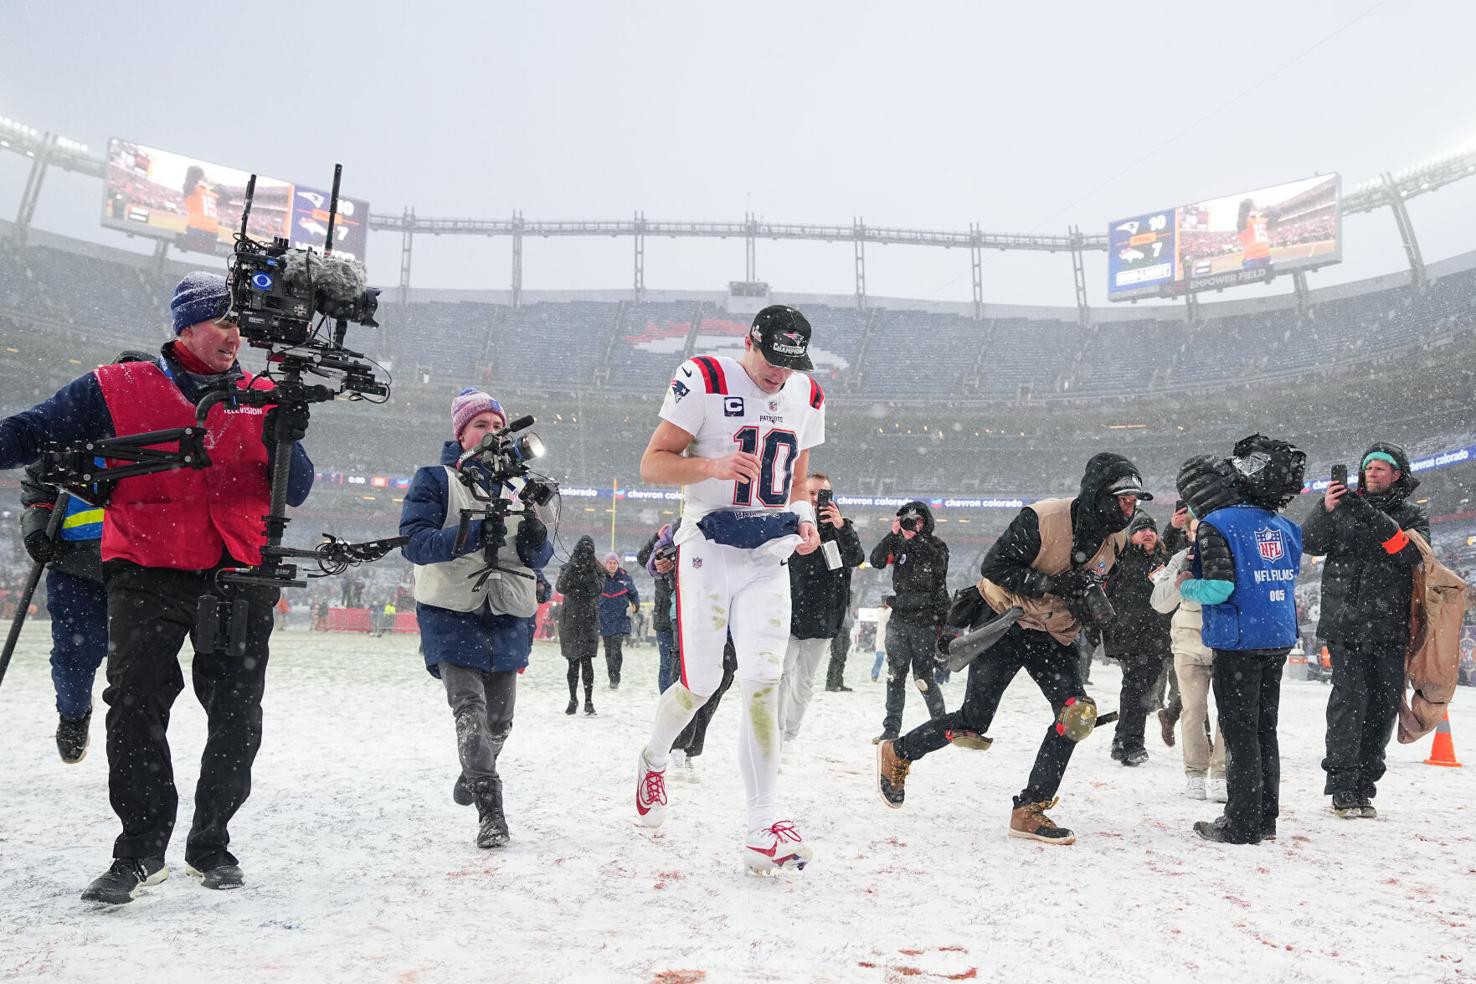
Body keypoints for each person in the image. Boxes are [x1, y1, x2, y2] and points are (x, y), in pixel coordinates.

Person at [0, 271, 314, 903]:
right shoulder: (116, 386)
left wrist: (289, 441)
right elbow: (33, 431)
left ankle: (211, 844)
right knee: (135, 705)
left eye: (237, 324)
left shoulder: (262, 394)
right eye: (220, 322)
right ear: (185, 327)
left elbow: (296, 489)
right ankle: (141, 851)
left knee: (235, 714)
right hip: (147, 567)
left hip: (237, 574)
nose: (234, 335)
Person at [632, 304, 824, 874]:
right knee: (702, 682)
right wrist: (712, 467)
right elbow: (652, 464)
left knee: (764, 681)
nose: (778, 375)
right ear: (750, 341)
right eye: (771, 360)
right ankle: (654, 757)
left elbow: (796, 476)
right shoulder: (706, 377)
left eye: (791, 364)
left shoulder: (807, 394)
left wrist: (803, 515)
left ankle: (762, 825)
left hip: (768, 554)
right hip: (709, 550)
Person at [877, 453, 1146, 846]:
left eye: (1135, 500)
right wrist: (1054, 584)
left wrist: (1099, 611)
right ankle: (898, 752)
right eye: (1123, 498)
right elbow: (994, 566)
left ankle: (1030, 809)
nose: (1130, 507)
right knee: (973, 720)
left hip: (1055, 633)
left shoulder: (1118, 540)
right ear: (1099, 496)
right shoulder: (1043, 518)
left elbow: (1107, 587)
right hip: (1006, 621)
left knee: (1077, 714)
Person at [400, 388, 552, 849]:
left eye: (498, 425)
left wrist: (533, 534)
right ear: (461, 432)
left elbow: (539, 557)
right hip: (450, 610)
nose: (492, 433)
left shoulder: (522, 486)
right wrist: (468, 535)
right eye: (482, 425)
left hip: (508, 610)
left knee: (501, 720)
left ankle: (474, 772)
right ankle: (492, 811)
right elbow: (415, 543)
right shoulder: (433, 478)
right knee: (469, 711)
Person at [17, 349, 153, 763]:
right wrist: (38, 527)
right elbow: (38, 490)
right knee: (74, 656)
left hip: (139, 566)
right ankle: (74, 715)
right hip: (75, 564)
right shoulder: (70, 431)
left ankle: (131, 741)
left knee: (135, 668)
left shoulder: (159, 434)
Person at [1176, 436, 1305, 845]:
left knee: (1239, 730)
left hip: (1238, 641)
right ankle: (1266, 816)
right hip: (1277, 635)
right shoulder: (1284, 526)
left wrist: (1186, 584)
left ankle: (1240, 821)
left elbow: (1216, 588)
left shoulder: (1217, 525)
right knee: (1266, 727)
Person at [1302, 443, 1429, 818]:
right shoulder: (1340, 508)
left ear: (1397, 475)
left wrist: (1368, 513)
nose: (1372, 473)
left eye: (1380, 468)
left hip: (1390, 628)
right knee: (1349, 704)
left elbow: (1407, 553)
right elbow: (1311, 543)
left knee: (1383, 707)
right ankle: (1342, 785)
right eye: (1368, 467)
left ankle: (1365, 784)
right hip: (1345, 626)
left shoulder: (1412, 515)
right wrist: (1324, 508)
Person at [779, 473, 864, 745]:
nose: (815, 499)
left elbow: (856, 558)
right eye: (811, 493)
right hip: (789, 614)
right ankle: (775, 734)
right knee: (780, 676)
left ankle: (790, 734)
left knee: (804, 682)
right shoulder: (789, 524)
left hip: (823, 618)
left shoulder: (841, 529)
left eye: (821, 494)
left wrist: (840, 526)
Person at [1150, 514, 1227, 801]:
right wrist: (1179, 579)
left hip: (1225, 641)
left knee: (1228, 711)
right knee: (1193, 709)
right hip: (1188, 642)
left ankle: (1221, 773)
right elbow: (1159, 604)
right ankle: (1195, 772)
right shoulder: (1180, 558)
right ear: (1188, 533)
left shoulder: (1229, 554)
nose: (1200, 536)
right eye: (1195, 531)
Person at [869, 501, 950, 744]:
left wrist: (914, 538)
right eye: (907, 520)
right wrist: (892, 534)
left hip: (925, 622)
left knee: (923, 677)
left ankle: (942, 725)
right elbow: (875, 560)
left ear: (926, 522)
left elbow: (935, 575)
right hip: (899, 621)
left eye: (917, 521)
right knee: (895, 675)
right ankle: (891, 729)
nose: (912, 525)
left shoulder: (937, 546)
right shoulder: (899, 543)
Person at [1103, 511, 1172, 767]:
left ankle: (1123, 740)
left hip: (1156, 637)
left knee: (1140, 688)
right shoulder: (1121, 558)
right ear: (1130, 536)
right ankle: (1131, 744)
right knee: (1136, 688)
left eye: (1152, 530)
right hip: (1129, 636)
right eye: (1141, 529)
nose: (1148, 533)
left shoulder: (1162, 560)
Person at [557, 536, 604, 716]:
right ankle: (572, 699)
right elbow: (561, 587)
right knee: (572, 662)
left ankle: (588, 701)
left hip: (588, 620)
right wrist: (572, 567)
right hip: (570, 620)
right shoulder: (567, 568)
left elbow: (597, 590)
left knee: (587, 662)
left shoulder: (597, 570)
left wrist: (590, 568)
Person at [638, 523, 679, 692]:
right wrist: (657, 537)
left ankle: (680, 703)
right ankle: (666, 700)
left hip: (681, 613)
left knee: (680, 665)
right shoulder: (661, 551)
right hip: (664, 616)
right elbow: (642, 558)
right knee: (666, 664)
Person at [597, 552, 639, 689]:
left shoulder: (626, 579)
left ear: (618, 564)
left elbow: (634, 594)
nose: (612, 565)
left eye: (614, 563)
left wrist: (635, 605)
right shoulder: (599, 578)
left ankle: (615, 678)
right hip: (605, 619)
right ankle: (611, 676)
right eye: (609, 563)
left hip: (620, 619)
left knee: (616, 649)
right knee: (608, 651)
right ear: (606, 564)